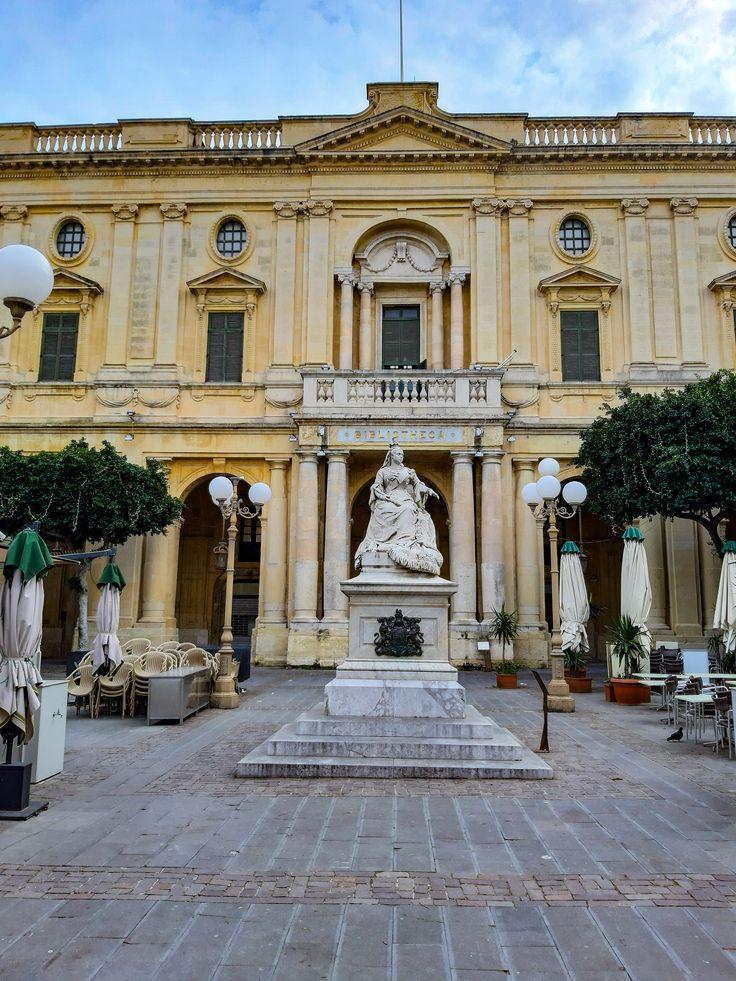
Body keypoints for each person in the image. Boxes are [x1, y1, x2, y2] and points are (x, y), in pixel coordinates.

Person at [355, 443, 443, 575]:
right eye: (398, 454)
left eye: (402, 454)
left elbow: (418, 485)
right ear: (391, 456)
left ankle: (405, 543)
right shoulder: (383, 472)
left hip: (404, 498)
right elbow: (377, 486)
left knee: (408, 509)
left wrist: (428, 490)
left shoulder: (409, 472)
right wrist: (377, 491)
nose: (401, 456)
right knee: (382, 509)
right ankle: (385, 542)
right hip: (388, 499)